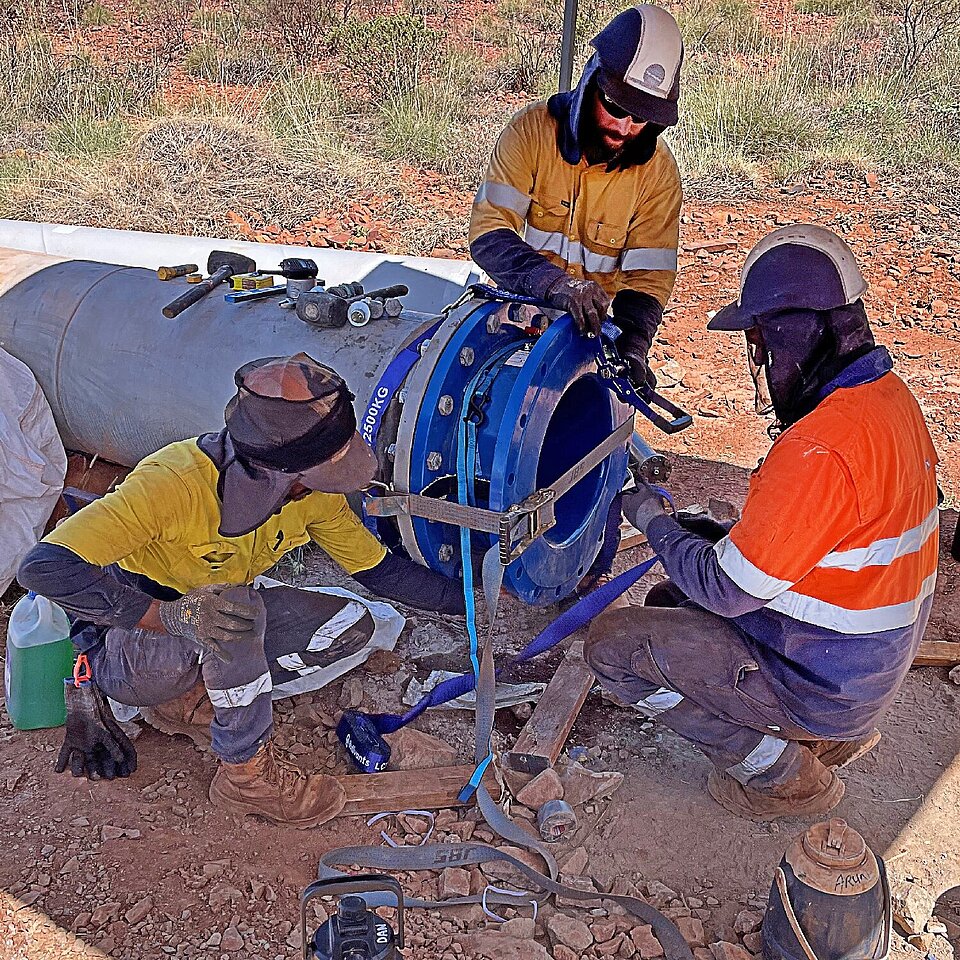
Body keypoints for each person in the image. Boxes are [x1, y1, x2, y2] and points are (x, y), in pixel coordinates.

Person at [18, 353, 465, 829]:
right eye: (316, 478)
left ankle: (196, 698)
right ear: (273, 478)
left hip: (214, 619)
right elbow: (43, 568)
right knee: (237, 611)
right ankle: (245, 780)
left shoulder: (314, 499)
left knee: (353, 626)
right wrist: (168, 617)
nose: (326, 488)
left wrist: (470, 600)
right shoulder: (171, 484)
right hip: (135, 645)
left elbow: (379, 572)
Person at [584, 225, 939, 819]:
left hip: (825, 683)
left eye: (761, 346)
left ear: (794, 338)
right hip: (863, 663)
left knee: (614, 647)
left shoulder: (819, 448)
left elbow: (726, 590)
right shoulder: (886, 401)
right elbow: (833, 543)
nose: (760, 363)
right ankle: (822, 738)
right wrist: (706, 539)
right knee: (672, 595)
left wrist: (654, 520)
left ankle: (783, 774)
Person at [469, 3, 684, 393]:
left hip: (590, 342)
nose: (624, 127)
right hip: (513, 319)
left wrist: (633, 346)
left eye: (641, 118)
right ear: (590, 82)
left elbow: (647, 278)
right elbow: (490, 233)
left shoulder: (659, 173)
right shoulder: (530, 132)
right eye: (616, 107)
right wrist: (559, 286)